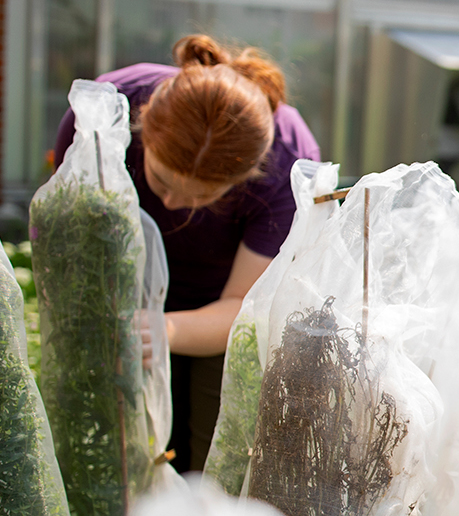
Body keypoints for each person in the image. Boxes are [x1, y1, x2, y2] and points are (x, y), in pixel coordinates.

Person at [53, 35, 320, 474]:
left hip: (218, 314)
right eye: (160, 181)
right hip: (122, 299)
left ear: (245, 179)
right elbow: (69, 237)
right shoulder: (99, 116)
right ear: (141, 130)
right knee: (118, 455)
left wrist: (165, 329)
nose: (173, 204)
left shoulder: (287, 167)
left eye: (202, 196)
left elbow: (243, 306)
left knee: (211, 455)